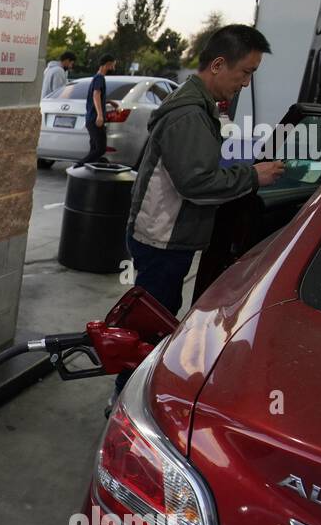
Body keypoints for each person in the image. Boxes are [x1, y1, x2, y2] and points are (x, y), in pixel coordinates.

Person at [107, 26, 286, 411]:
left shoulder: (200, 107)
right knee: (150, 325)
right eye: (245, 72)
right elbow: (195, 183)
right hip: (162, 237)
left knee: (155, 317)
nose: (245, 82)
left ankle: (129, 392)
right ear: (219, 65)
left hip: (169, 235)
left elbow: (199, 166)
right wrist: (255, 176)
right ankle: (125, 401)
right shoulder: (188, 113)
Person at [77, 54, 117, 168]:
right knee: (100, 149)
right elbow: (96, 95)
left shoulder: (96, 77)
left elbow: (96, 97)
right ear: (108, 65)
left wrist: (108, 101)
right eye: (113, 66)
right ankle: (79, 166)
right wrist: (100, 115)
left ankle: (88, 170)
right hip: (94, 118)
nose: (113, 69)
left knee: (94, 148)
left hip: (90, 118)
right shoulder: (99, 78)